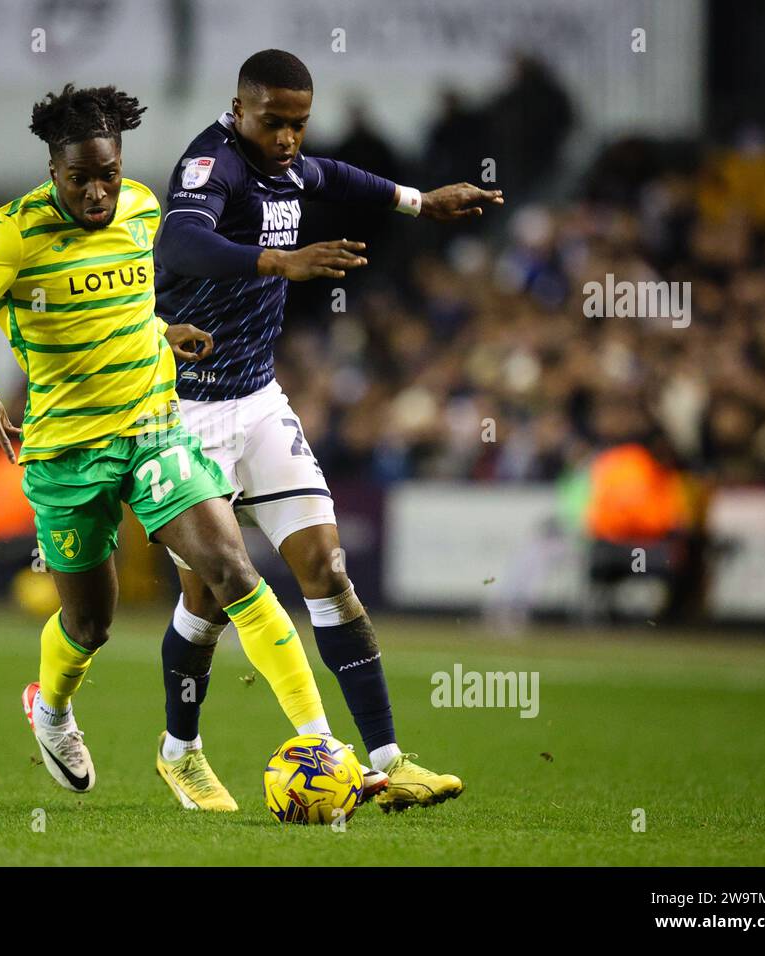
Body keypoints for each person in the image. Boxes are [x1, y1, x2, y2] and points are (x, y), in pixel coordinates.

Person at [0, 84, 350, 802]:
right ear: (53, 169)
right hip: (65, 451)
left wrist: (160, 332)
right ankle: (51, 709)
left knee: (233, 571)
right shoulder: (10, 234)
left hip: (153, 430)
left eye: (107, 174)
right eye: (78, 177)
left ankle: (319, 740)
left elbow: (125, 305)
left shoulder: (144, 207)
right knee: (90, 623)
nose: (96, 191)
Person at [152, 49, 503, 811]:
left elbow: (335, 176)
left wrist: (418, 200)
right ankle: (179, 752)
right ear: (239, 108)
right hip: (179, 414)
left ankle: (386, 761)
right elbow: (179, 244)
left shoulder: (290, 164)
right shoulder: (210, 167)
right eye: (273, 122)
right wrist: (279, 262)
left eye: (299, 124)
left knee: (330, 575)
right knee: (209, 601)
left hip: (256, 401)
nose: (287, 138)